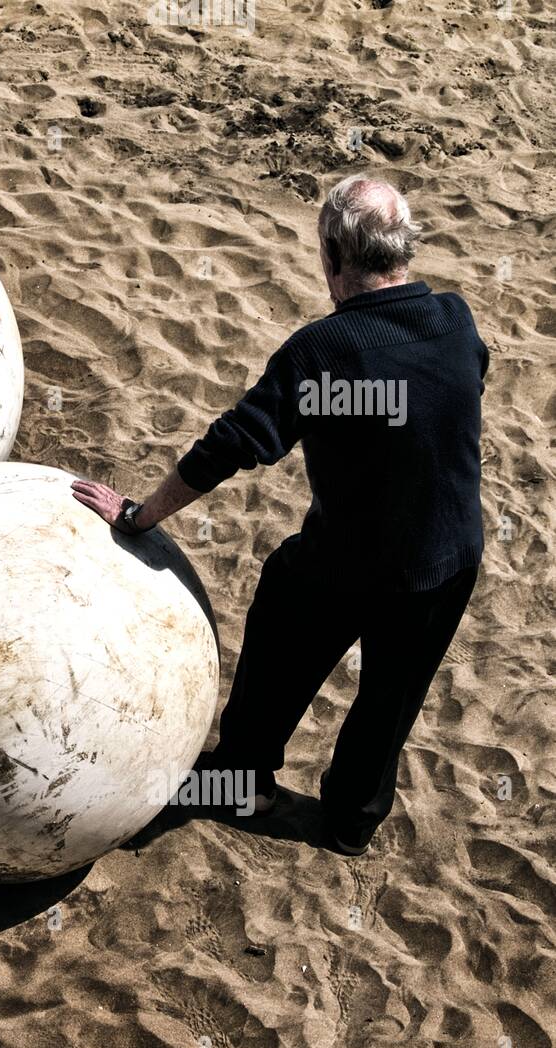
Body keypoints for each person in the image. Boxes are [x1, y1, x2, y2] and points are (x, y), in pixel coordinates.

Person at [72, 173, 486, 856]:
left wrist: (142, 514)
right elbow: (463, 381)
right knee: (393, 695)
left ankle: (244, 783)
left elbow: (231, 446)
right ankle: (353, 821)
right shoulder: (455, 318)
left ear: (331, 258)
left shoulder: (321, 351)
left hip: (352, 560)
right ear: (404, 249)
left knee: (283, 612)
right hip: (452, 556)